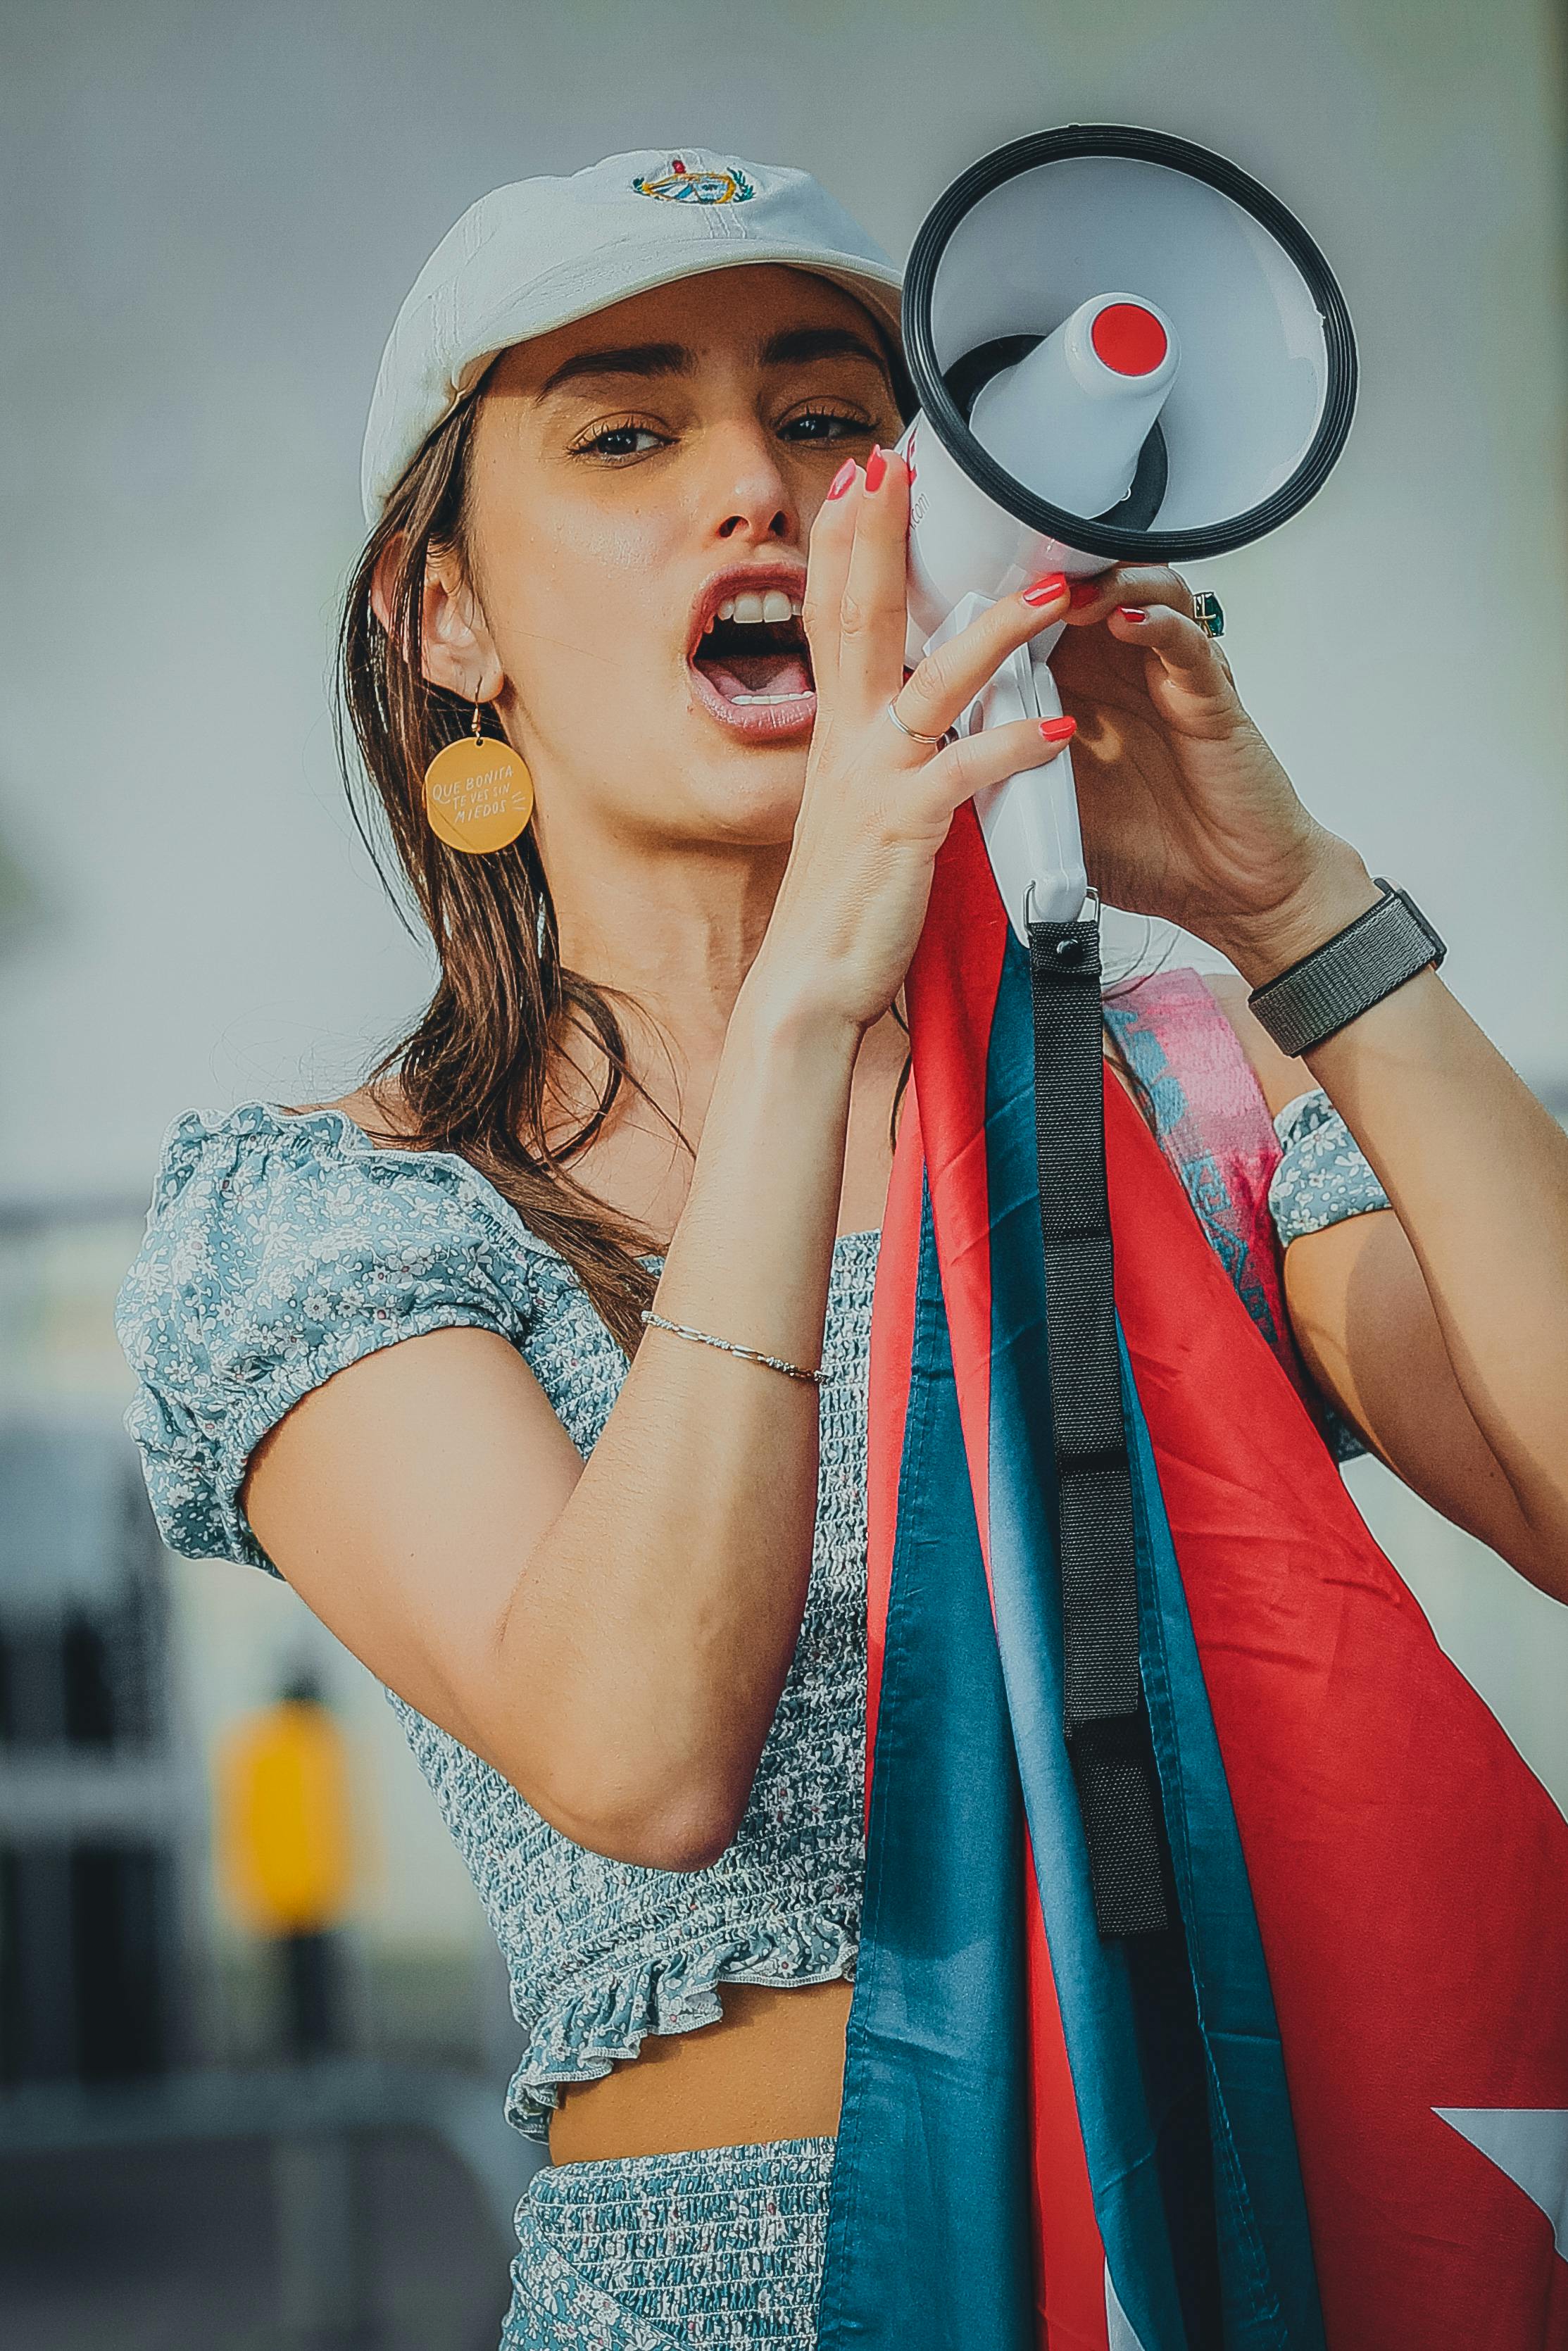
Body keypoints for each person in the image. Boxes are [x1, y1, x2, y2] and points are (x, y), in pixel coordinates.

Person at [115, 148, 1568, 2347]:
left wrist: (1296, 917)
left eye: (824, 418)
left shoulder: (1157, 1083)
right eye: (627, 432)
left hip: (1224, 2241)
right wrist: (809, 1001)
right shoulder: (339, 1205)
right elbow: (636, 1747)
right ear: (444, 618)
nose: (758, 488)